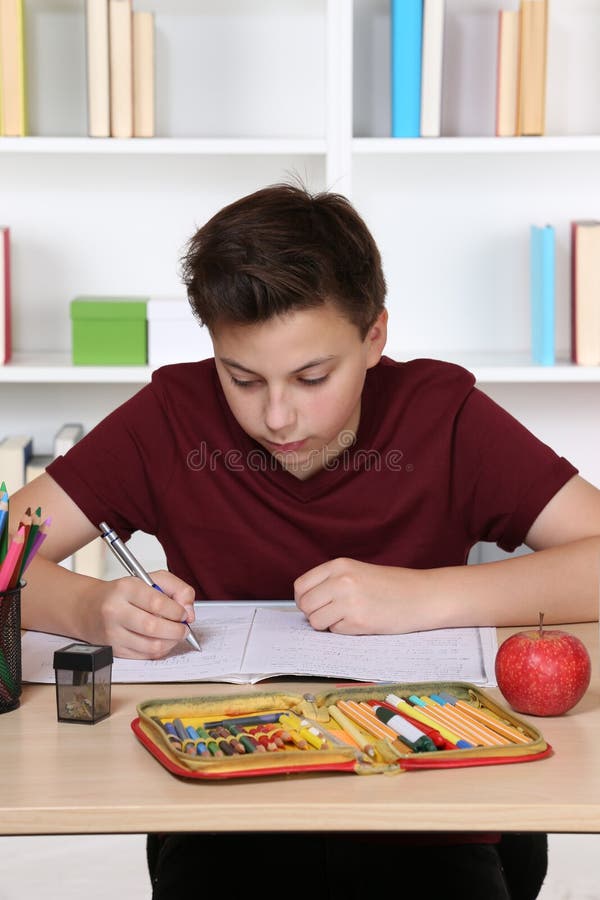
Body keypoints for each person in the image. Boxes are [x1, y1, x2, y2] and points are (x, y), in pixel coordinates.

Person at [10, 183, 600, 899]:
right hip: (226, 798)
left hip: (430, 801)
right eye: (243, 378)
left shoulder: (443, 416)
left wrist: (425, 595)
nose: (278, 416)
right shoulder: (172, 416)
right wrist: (91, 608)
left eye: (312, 377)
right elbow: (11, 549)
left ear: (375, 336)